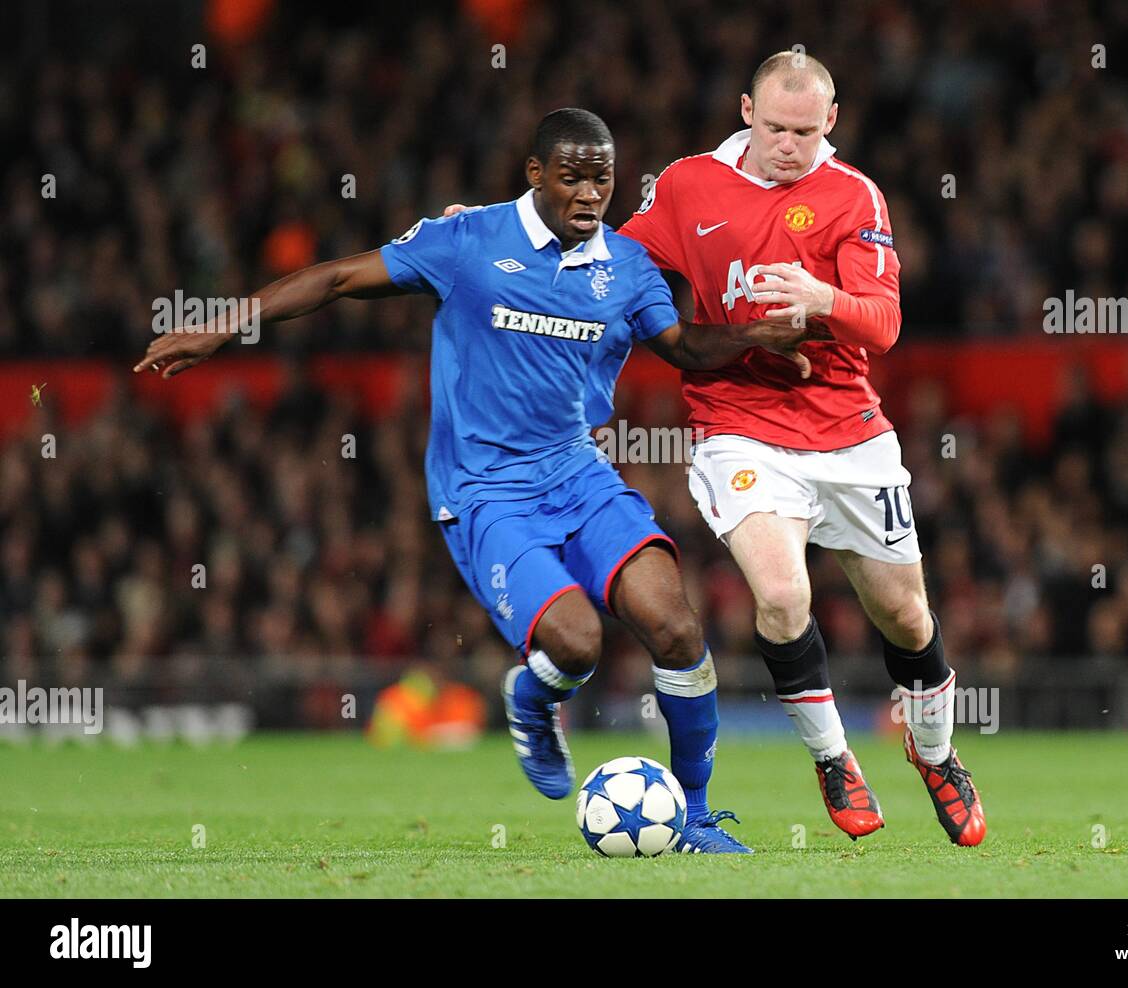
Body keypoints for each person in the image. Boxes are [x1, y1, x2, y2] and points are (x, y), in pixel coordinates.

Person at [135, 108, 824, 853]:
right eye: (573, 177)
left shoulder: (625, 267)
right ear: (536, 175)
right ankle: (533, 697)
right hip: (485, 492)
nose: (590, 194)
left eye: (603, 178)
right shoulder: (465, 241)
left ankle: (692, 816)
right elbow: (335, 277)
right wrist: (221, 324)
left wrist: (755, 335)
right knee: (578, 644)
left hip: (580, 475)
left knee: (677, 627)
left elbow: (683, 345)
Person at [617, 52, 986, 845]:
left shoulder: (853, 195)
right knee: (782, 598)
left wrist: (824, 298)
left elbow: (882, 326)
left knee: (907, 616)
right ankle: (832, 759)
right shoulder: (686, 185)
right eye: (777, 128)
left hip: (848, 430)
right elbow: (619, 268)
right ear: (746, 109)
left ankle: (938, 755)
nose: (790, 146)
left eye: (807, 132)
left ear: (833, 122)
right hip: (737, 421)